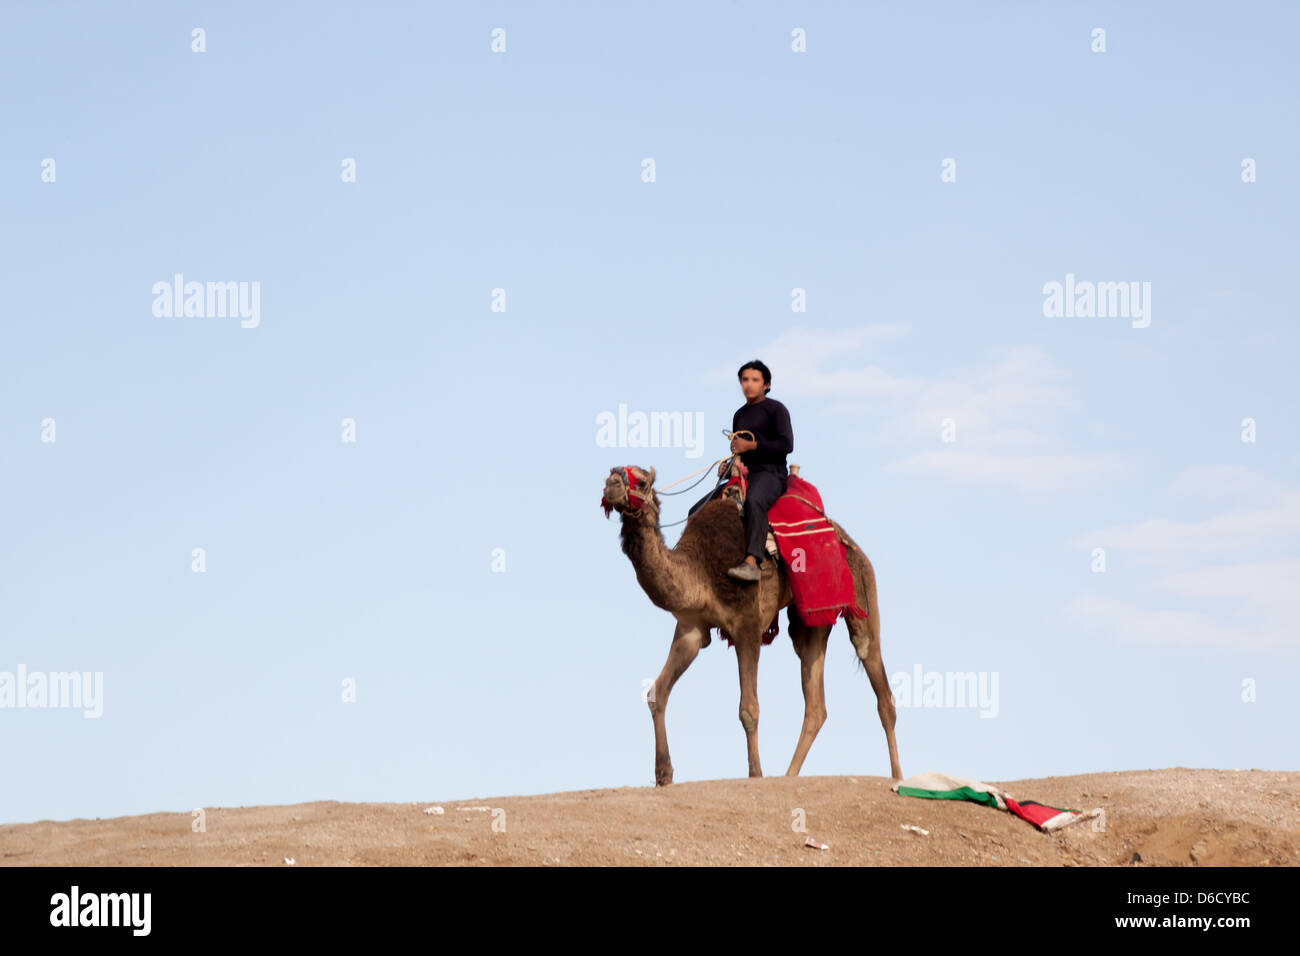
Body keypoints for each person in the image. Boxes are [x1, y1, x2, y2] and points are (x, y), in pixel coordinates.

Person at [688, 359, 794, 582]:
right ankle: (697, 562)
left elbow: (787, 445)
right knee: (697, 511)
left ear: (766, 384)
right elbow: (741, 454)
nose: (749, 384)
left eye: (755, 380)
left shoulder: (776, 409)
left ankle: (752, 561)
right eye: (745, 379)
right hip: (745, 475)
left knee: (754, 500)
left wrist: (752, 446)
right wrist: (729, 468)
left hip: (770, 474)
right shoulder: (739, 415)